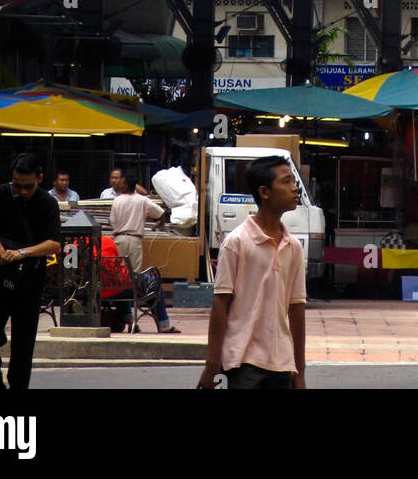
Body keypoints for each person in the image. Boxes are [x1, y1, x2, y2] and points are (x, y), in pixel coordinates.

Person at [197, 155, 306, 390]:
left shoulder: (293, 247)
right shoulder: (236, 242)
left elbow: (296, 309)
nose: (294, 188)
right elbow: (220, 303)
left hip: (282, 362)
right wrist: (212, 364)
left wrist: (300, 371)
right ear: (265, 192)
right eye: (286, 182)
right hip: (244, 361)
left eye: (293, 181)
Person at [0, 152, 62, 391]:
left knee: (23, 345)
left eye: (28, 186)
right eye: (17, 185)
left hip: (29, 281)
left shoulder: (47, 203)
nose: (22, 191)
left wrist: (22, 252)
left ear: (40, 178)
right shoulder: (2, 193)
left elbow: (54, 243)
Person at [109, 174, 179, 334]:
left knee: (120, 279)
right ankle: (158, 323)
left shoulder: (117, 201)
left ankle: (129, 319)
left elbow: (112, 222)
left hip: (118, 239)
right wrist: (158, 224)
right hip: (134, 241)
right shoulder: (142, 200)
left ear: (126, 184)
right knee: (133, 278)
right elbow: (161, 212)